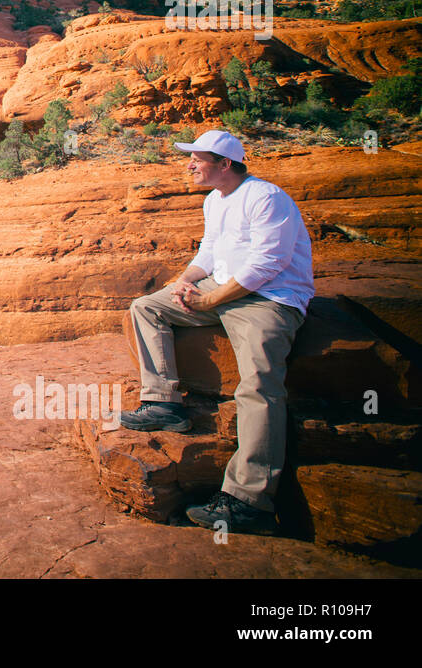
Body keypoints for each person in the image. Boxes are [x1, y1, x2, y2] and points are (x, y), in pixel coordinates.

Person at [119, 129, 314, 534]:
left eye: (198, 159)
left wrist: (211, 301)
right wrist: (186, 281)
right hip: (222, 290)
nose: (189, 165)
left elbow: (268, 263)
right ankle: (164, 404)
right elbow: (209, 250)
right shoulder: (215, 200)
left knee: (259, 386)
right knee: (146, 308)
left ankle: (249, 500)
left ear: (225, 164)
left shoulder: (266, 197)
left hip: (269, 298)